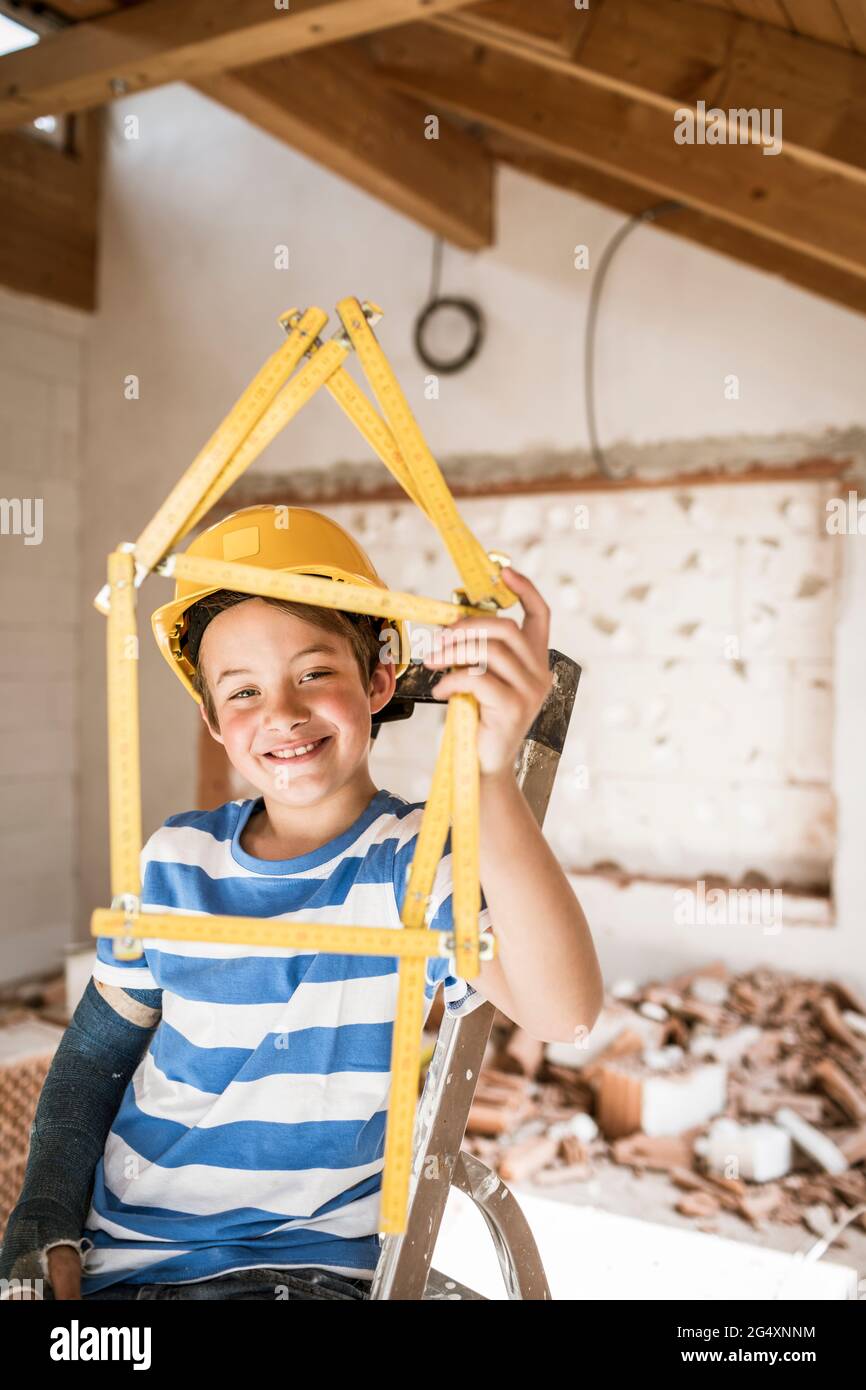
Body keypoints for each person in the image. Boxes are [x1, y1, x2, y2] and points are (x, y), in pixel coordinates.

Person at [0, 505, 602, 1301]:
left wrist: (489, 772)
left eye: (315, 672)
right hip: (133, 1261)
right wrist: (43, 1222)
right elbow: (92, 1059)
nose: (280, 712)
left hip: (308, 1274)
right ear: (214, 722)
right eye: (242, 691)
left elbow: (566, 1013)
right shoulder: (174, 860)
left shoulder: (415, 865)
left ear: (379, 681)